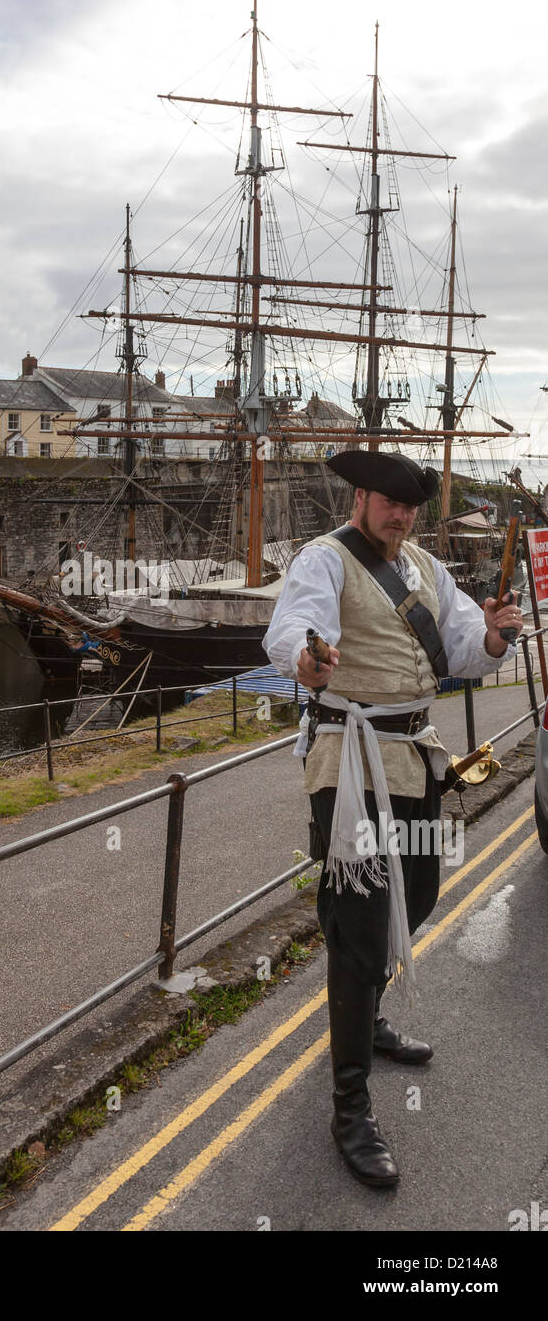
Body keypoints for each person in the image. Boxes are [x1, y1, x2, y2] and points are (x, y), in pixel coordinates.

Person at [265, 450, 523, 1188]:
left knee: (420, 896)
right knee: (360, 924)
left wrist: (497, 636)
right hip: (349, 760)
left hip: (415, 755)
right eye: (389, 503)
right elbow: (293, 631)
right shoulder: (324, 561)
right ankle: (350, 1108)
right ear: (362, 498)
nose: (399, 515)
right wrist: (309, 663)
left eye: (410, 507)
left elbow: (469, 653)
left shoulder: (426, 571)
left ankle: (368, 1017)